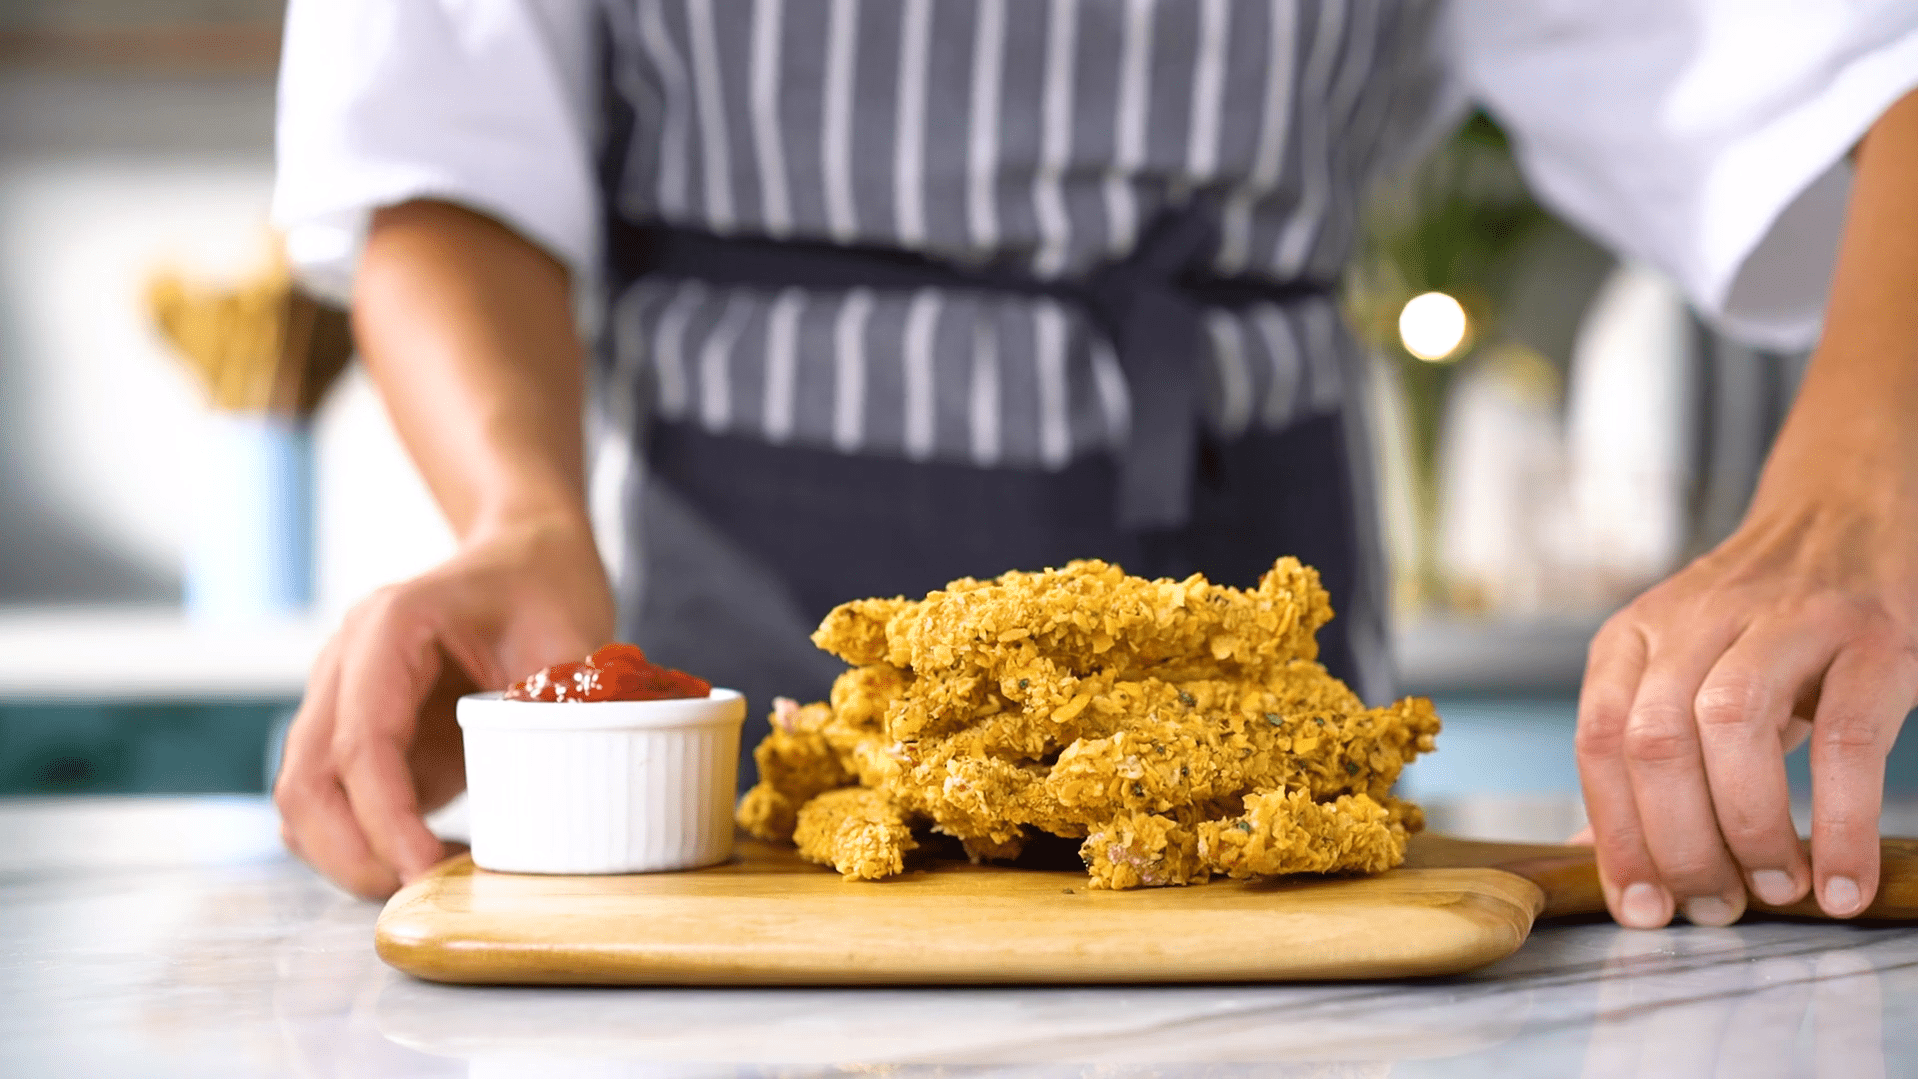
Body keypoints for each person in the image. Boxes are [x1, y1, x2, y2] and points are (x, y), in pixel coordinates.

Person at [269, 0, 1918, 932]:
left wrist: (1854, 475)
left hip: (1242, 535)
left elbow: (1865, 68)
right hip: (741, 598)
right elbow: (440, 152)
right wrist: (519, 515)